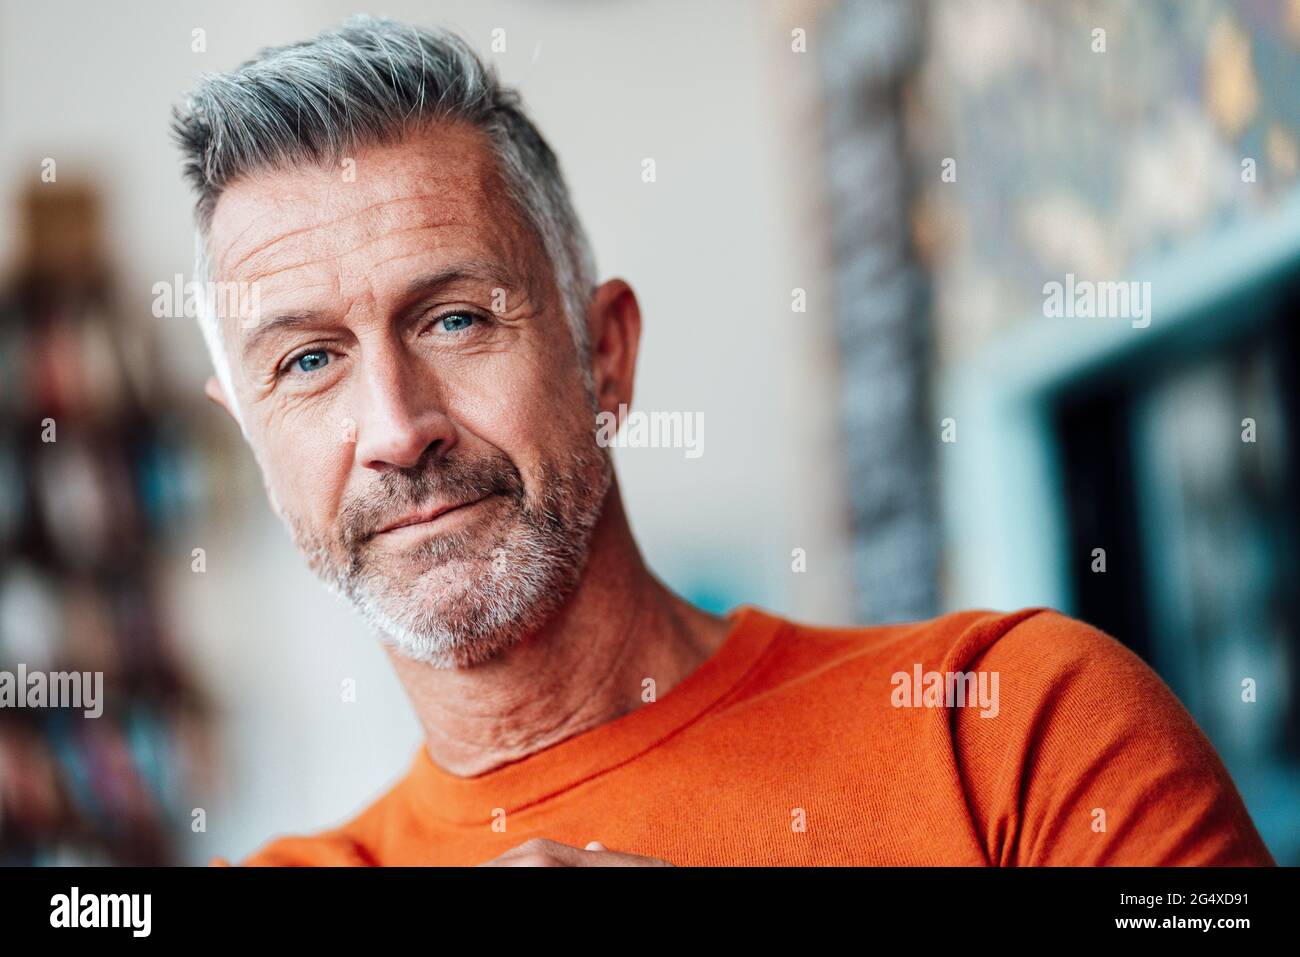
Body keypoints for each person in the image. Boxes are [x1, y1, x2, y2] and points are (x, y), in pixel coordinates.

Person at [172, 16, 1273, 867]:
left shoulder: (1022, 730)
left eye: (454, 318)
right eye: (307, 361)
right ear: (254, 442)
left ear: (606, 355)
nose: (399, 430)